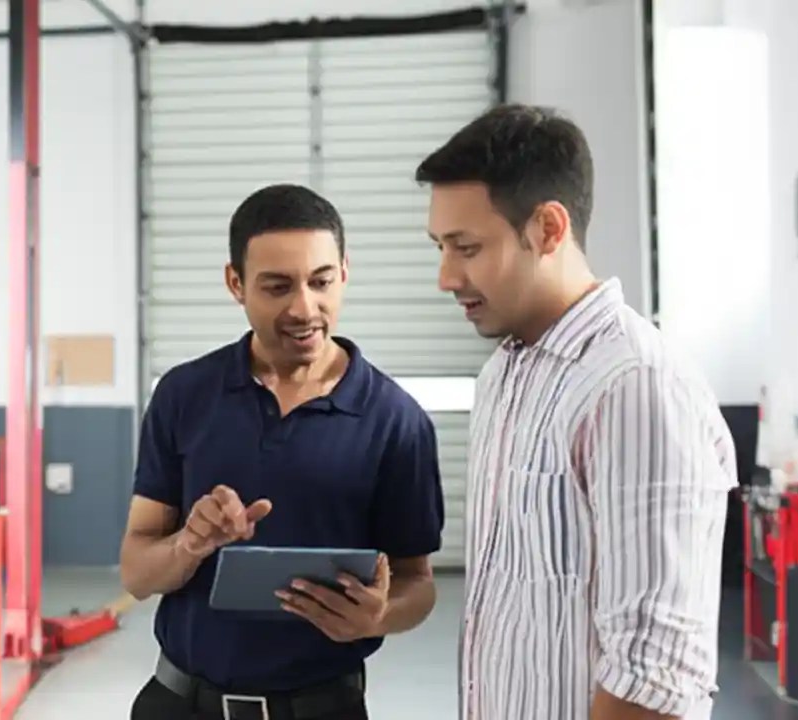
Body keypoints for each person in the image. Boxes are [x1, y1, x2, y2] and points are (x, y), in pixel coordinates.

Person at [415, 103, 736, 720]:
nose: (446, 276)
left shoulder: (634, 385)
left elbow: (653, 680)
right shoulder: (505, 376)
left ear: (549, 229)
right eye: (440, 247)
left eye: (467, 247)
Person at [119, 183, 446, 720]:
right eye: (277, 286)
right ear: (236, 283)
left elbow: (419, 584)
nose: (304, 307)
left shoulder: (396, 420)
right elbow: (136, 573)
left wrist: (379, 614)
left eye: (321, 282)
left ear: (344, 273)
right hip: (180, 704)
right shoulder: (184, 395)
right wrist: (191, 544)